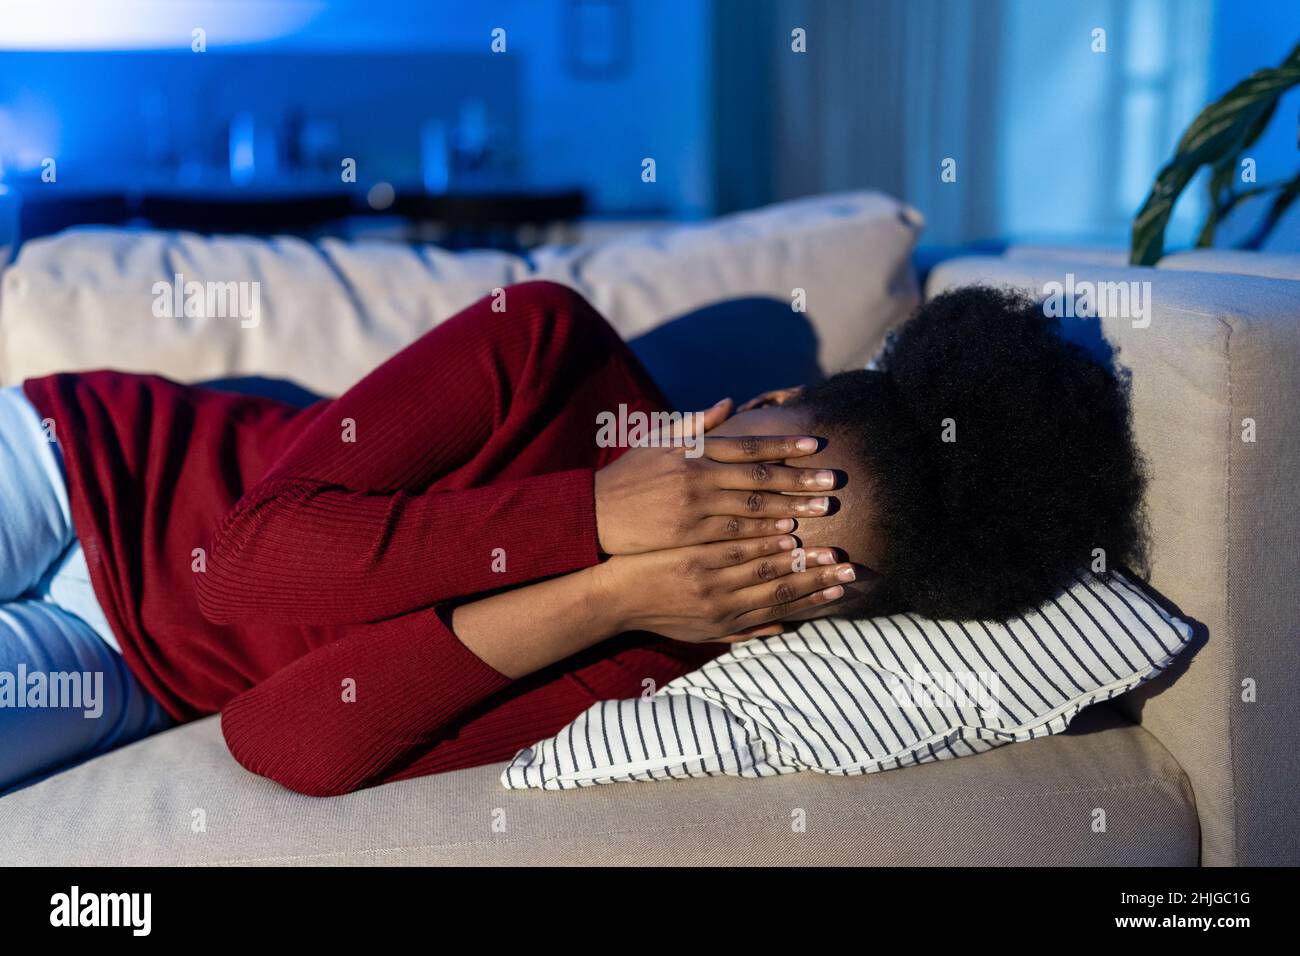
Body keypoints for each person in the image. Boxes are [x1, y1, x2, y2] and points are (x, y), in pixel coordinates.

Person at [0, 280, 1145, 795]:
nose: (712, 528)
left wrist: (604, 589)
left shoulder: (646, 649)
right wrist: (595, 510)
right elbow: (242, 563)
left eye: (773, 561)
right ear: (744, 409)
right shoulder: (545, 344)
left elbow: (270, 738)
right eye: (744, 476)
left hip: (129, 670)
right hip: (91, 463)